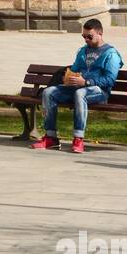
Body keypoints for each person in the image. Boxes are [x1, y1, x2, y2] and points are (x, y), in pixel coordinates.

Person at [32, 18, 124, 153]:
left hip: (99, 92)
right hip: (77, 88)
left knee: (80, 94)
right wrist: (68, 77)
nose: (86, 39)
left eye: (89, 36)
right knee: (49, 92)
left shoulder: (111, 54)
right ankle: (51, 138)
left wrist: (86, 82)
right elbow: (75, 69)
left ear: (100, 33)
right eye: (84, 36)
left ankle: (78, 139)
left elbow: (109, 80)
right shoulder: (83, 51)